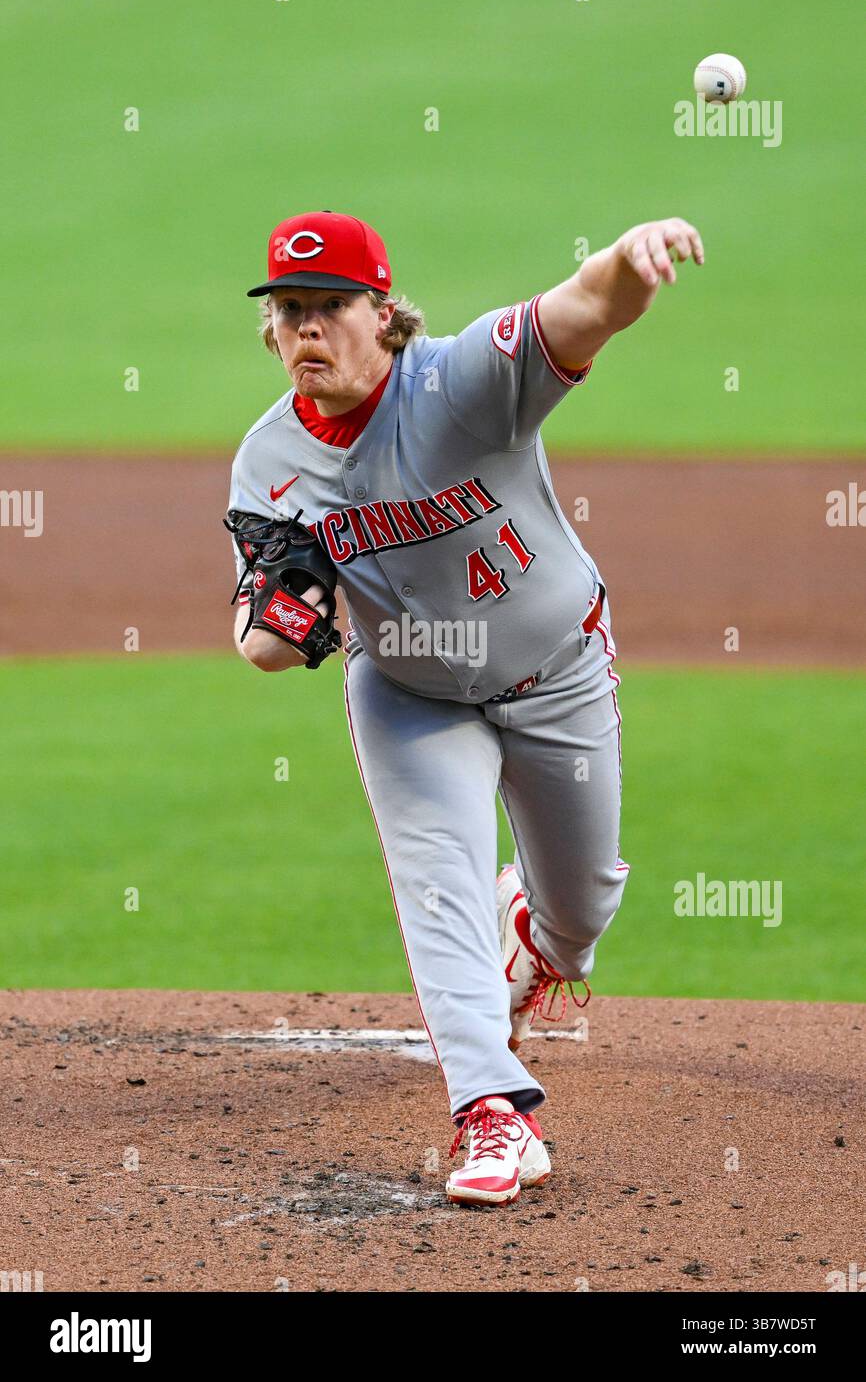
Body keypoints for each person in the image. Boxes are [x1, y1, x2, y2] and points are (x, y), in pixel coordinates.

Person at [227, 209, 704, 1207]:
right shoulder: (268, 461)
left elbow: (579, 312)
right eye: (288, 311)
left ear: (382, 313)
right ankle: (490, 1115)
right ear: (269, 331)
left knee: (582, 907)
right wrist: (290, 601)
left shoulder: (462, 379)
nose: (306, 328)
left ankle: (534, 941)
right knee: (435, 878)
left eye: (329, 306)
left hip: (557, 668)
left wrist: (626, 260)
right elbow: (262, 646)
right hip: (410, 695)